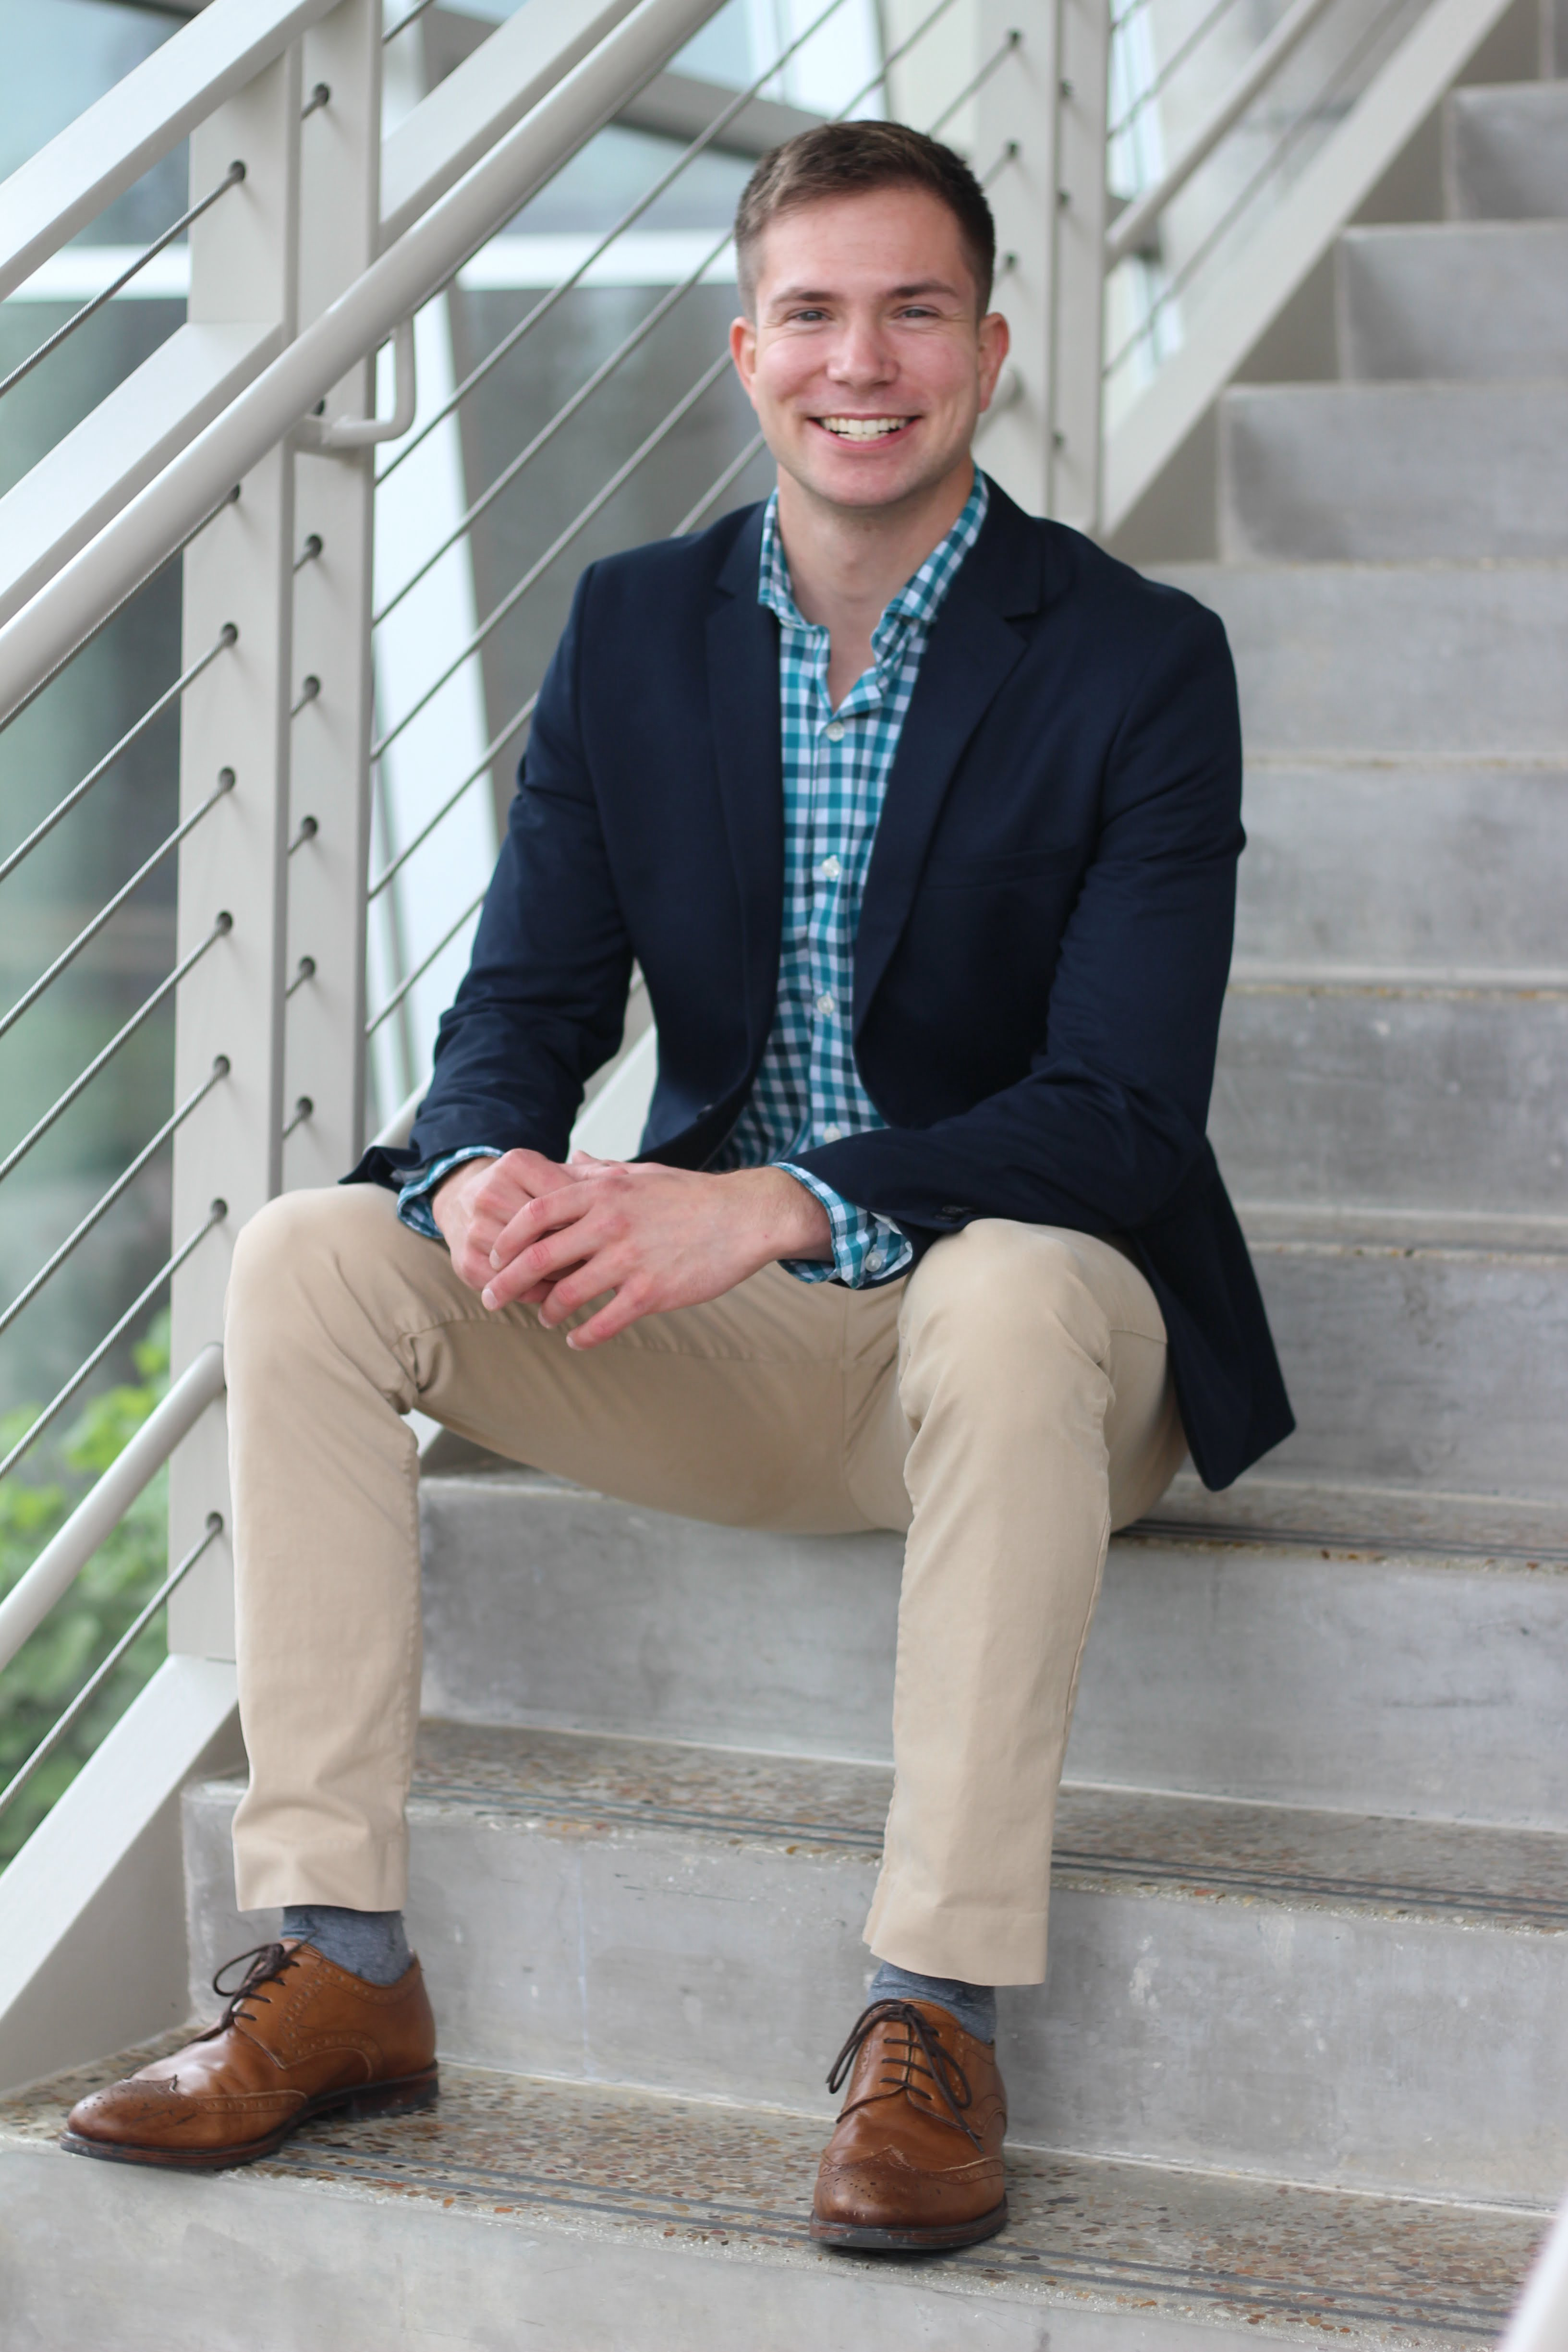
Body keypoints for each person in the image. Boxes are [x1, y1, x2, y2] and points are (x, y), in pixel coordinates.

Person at [62, 121, 1291, 2251]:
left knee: (1009, 1285)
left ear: (988, 349)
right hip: (740, 1352)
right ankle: (338, 1964)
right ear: (745, 349)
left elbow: (1121, 1115)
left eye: (912, 311)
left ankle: (932, 2017)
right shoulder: (634, 627)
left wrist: (778, 1198)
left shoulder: (1135, 657)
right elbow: (521, 1011)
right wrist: (477, 1172)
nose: (859, 361)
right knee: (313, 1255)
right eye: (811, 313)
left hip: (1036, 1362)